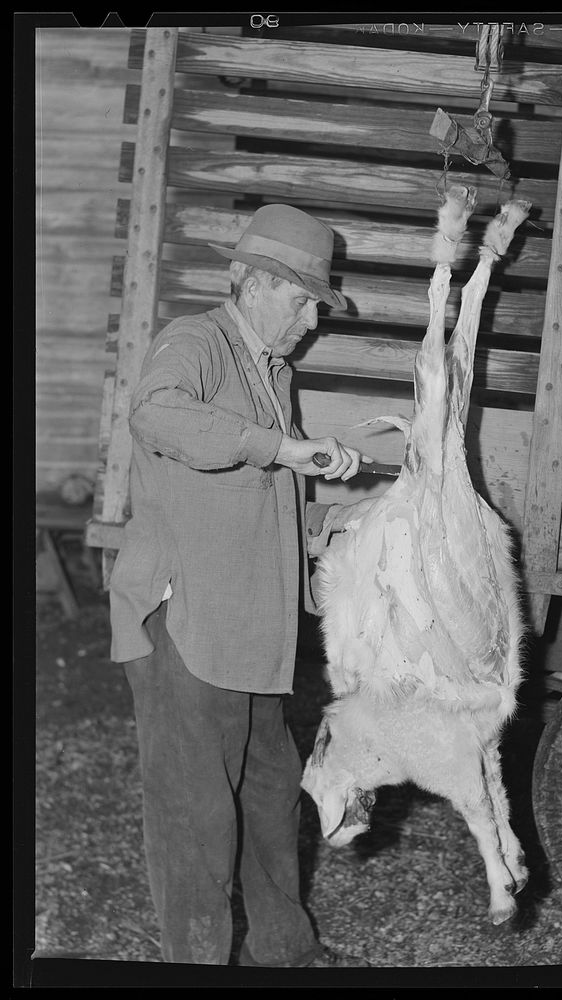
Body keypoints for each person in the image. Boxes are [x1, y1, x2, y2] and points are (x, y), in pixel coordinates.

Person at [109, 204, 375, 967]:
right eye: (298, 300)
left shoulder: (272, 373)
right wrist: (282, 449)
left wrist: (332, 531)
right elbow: (156, 416)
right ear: (252, 282)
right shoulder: (194, 343)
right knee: (198, 818)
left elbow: (257, 499)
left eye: (314, 306)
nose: (308, 321)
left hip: (254, 635)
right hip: (188, 627)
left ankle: (284, 951)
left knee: (268, 795)